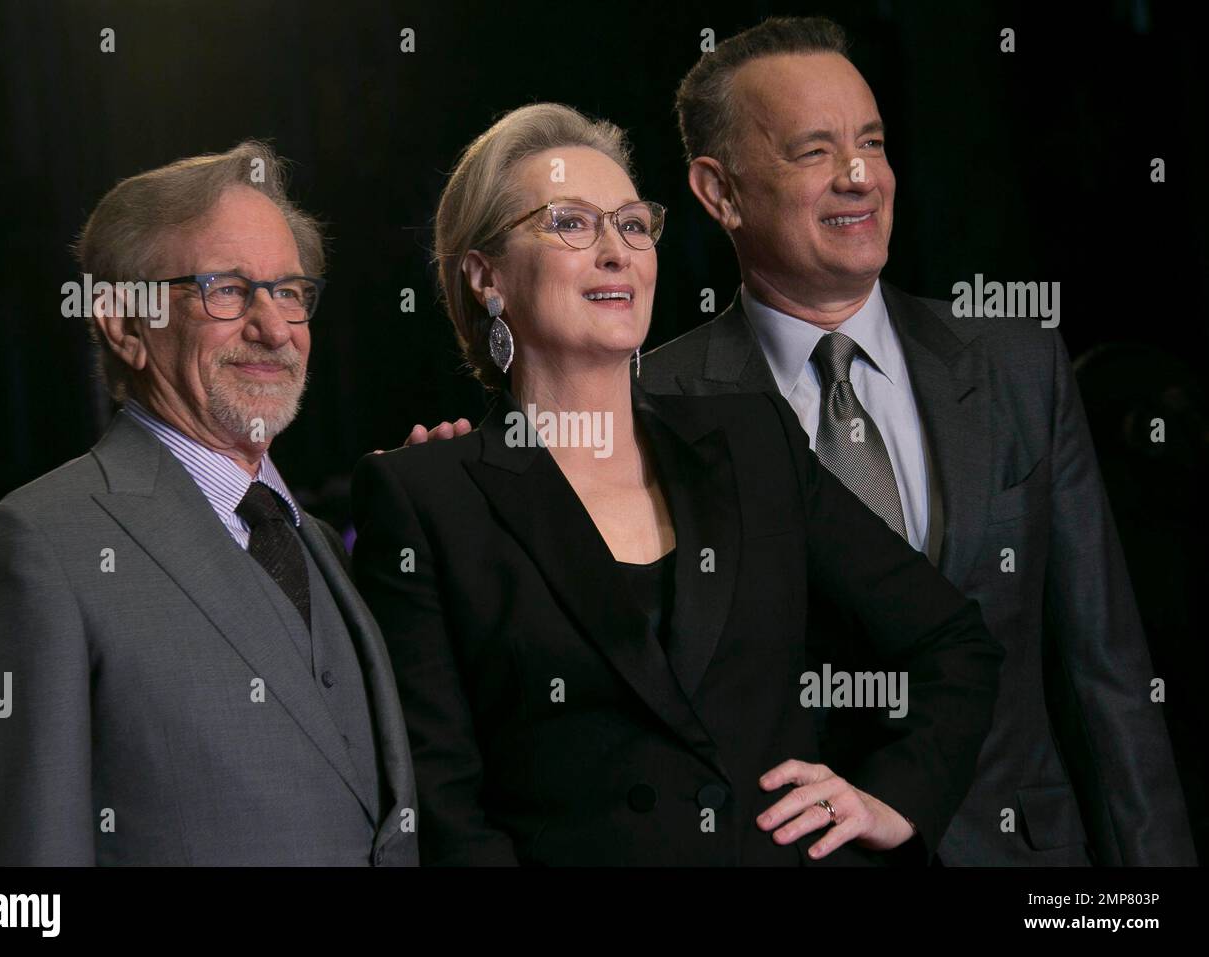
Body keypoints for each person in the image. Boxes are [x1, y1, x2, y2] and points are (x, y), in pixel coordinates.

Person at [351, 103, 1002, 866]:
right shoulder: (426, 496)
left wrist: (892, 797)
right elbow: (448, 811)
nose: (616, 252)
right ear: (485, 275)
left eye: (632, 224)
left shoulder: (751, 441)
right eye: (570, 223)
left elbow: (953, 643)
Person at [641, 15, 1195, 865]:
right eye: (813, 151)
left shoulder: (1018, 365)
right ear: (720, 193)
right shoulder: (653, 404)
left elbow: (1105, 679)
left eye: (872, 141)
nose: (860, 177)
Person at [0, 142, 417, 866]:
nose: (274, 327)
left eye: (290, 290)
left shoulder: (319, 541)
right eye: (226, 289)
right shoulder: (35, 550)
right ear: (125, 325)